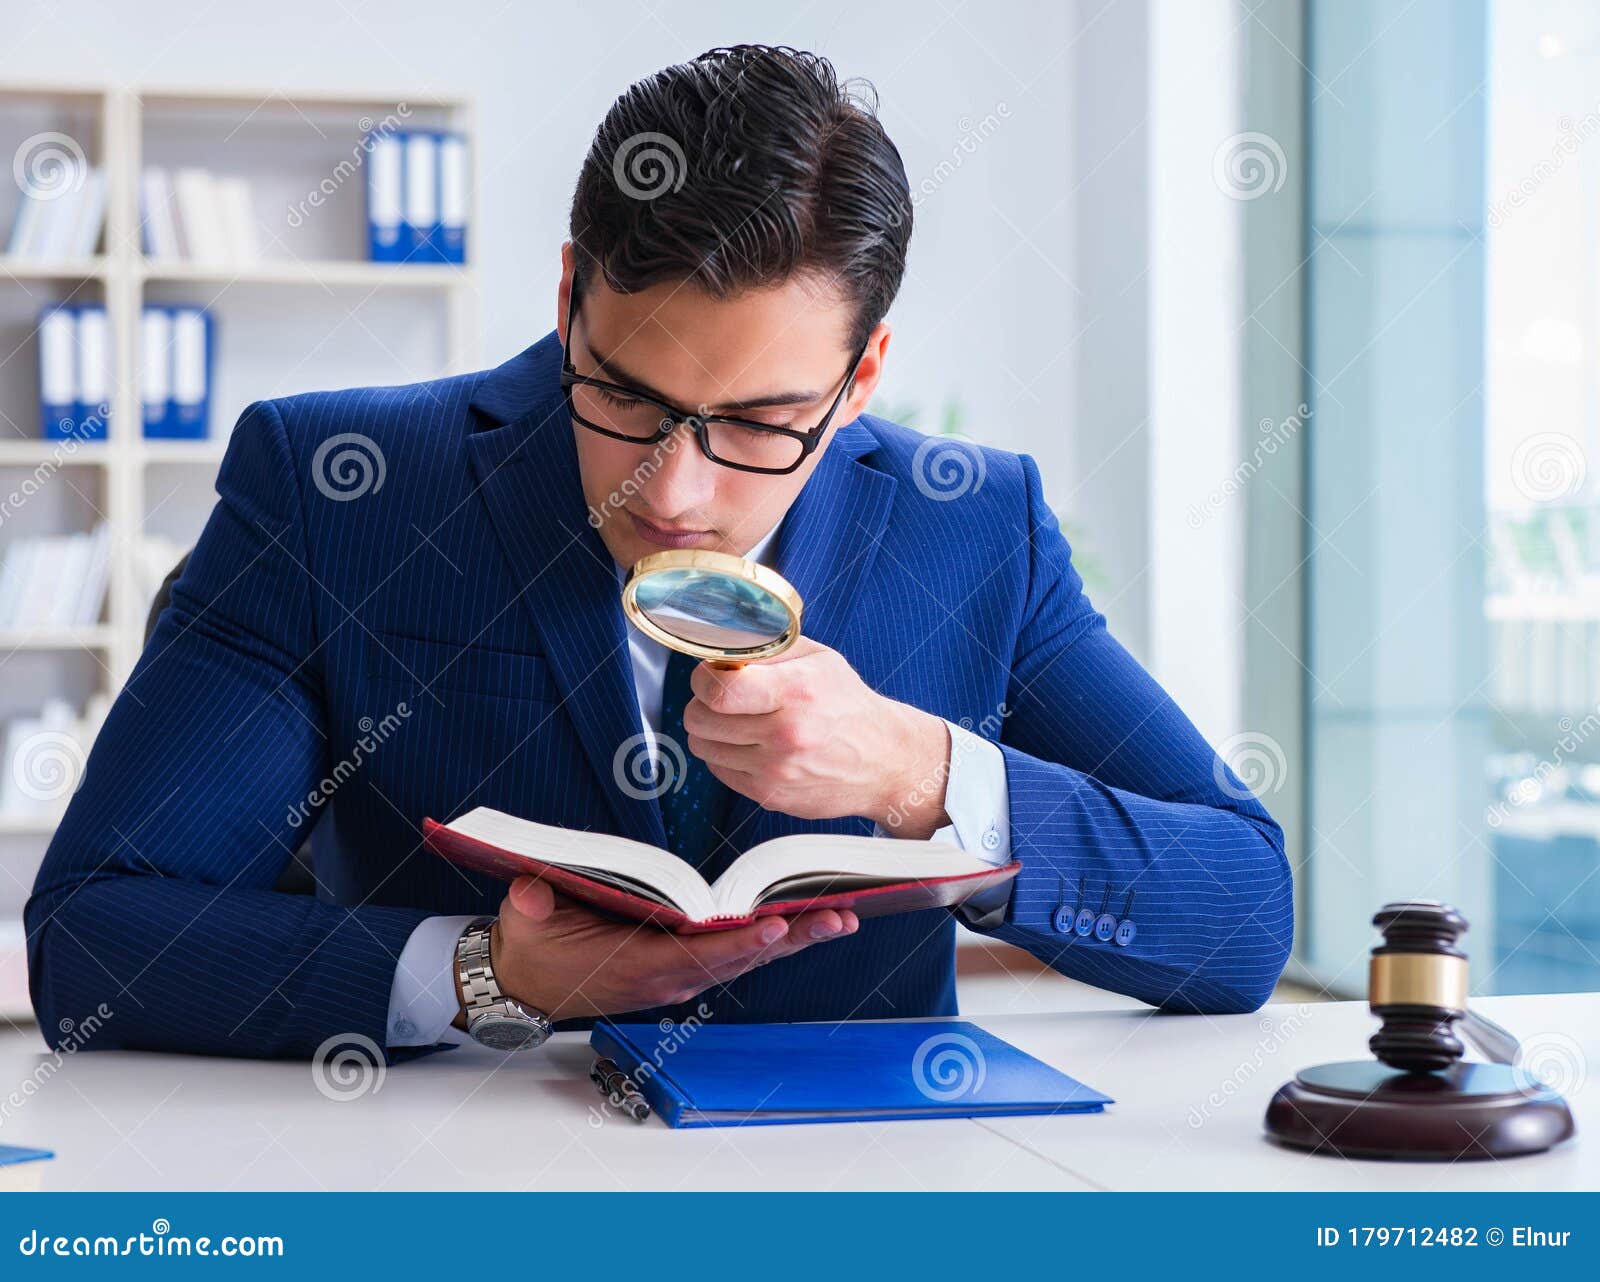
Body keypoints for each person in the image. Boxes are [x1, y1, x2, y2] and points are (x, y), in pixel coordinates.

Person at [26, 45, 1291, 1062]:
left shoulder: (969, 525)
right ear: (568, 297)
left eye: (758, 423)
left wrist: (920, 771)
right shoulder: (335, 488)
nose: (673, 491)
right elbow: (96, 931)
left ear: (861, 378)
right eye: (625, 397)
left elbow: (1244, 911)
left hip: (862, 1192)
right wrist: (485, 972)